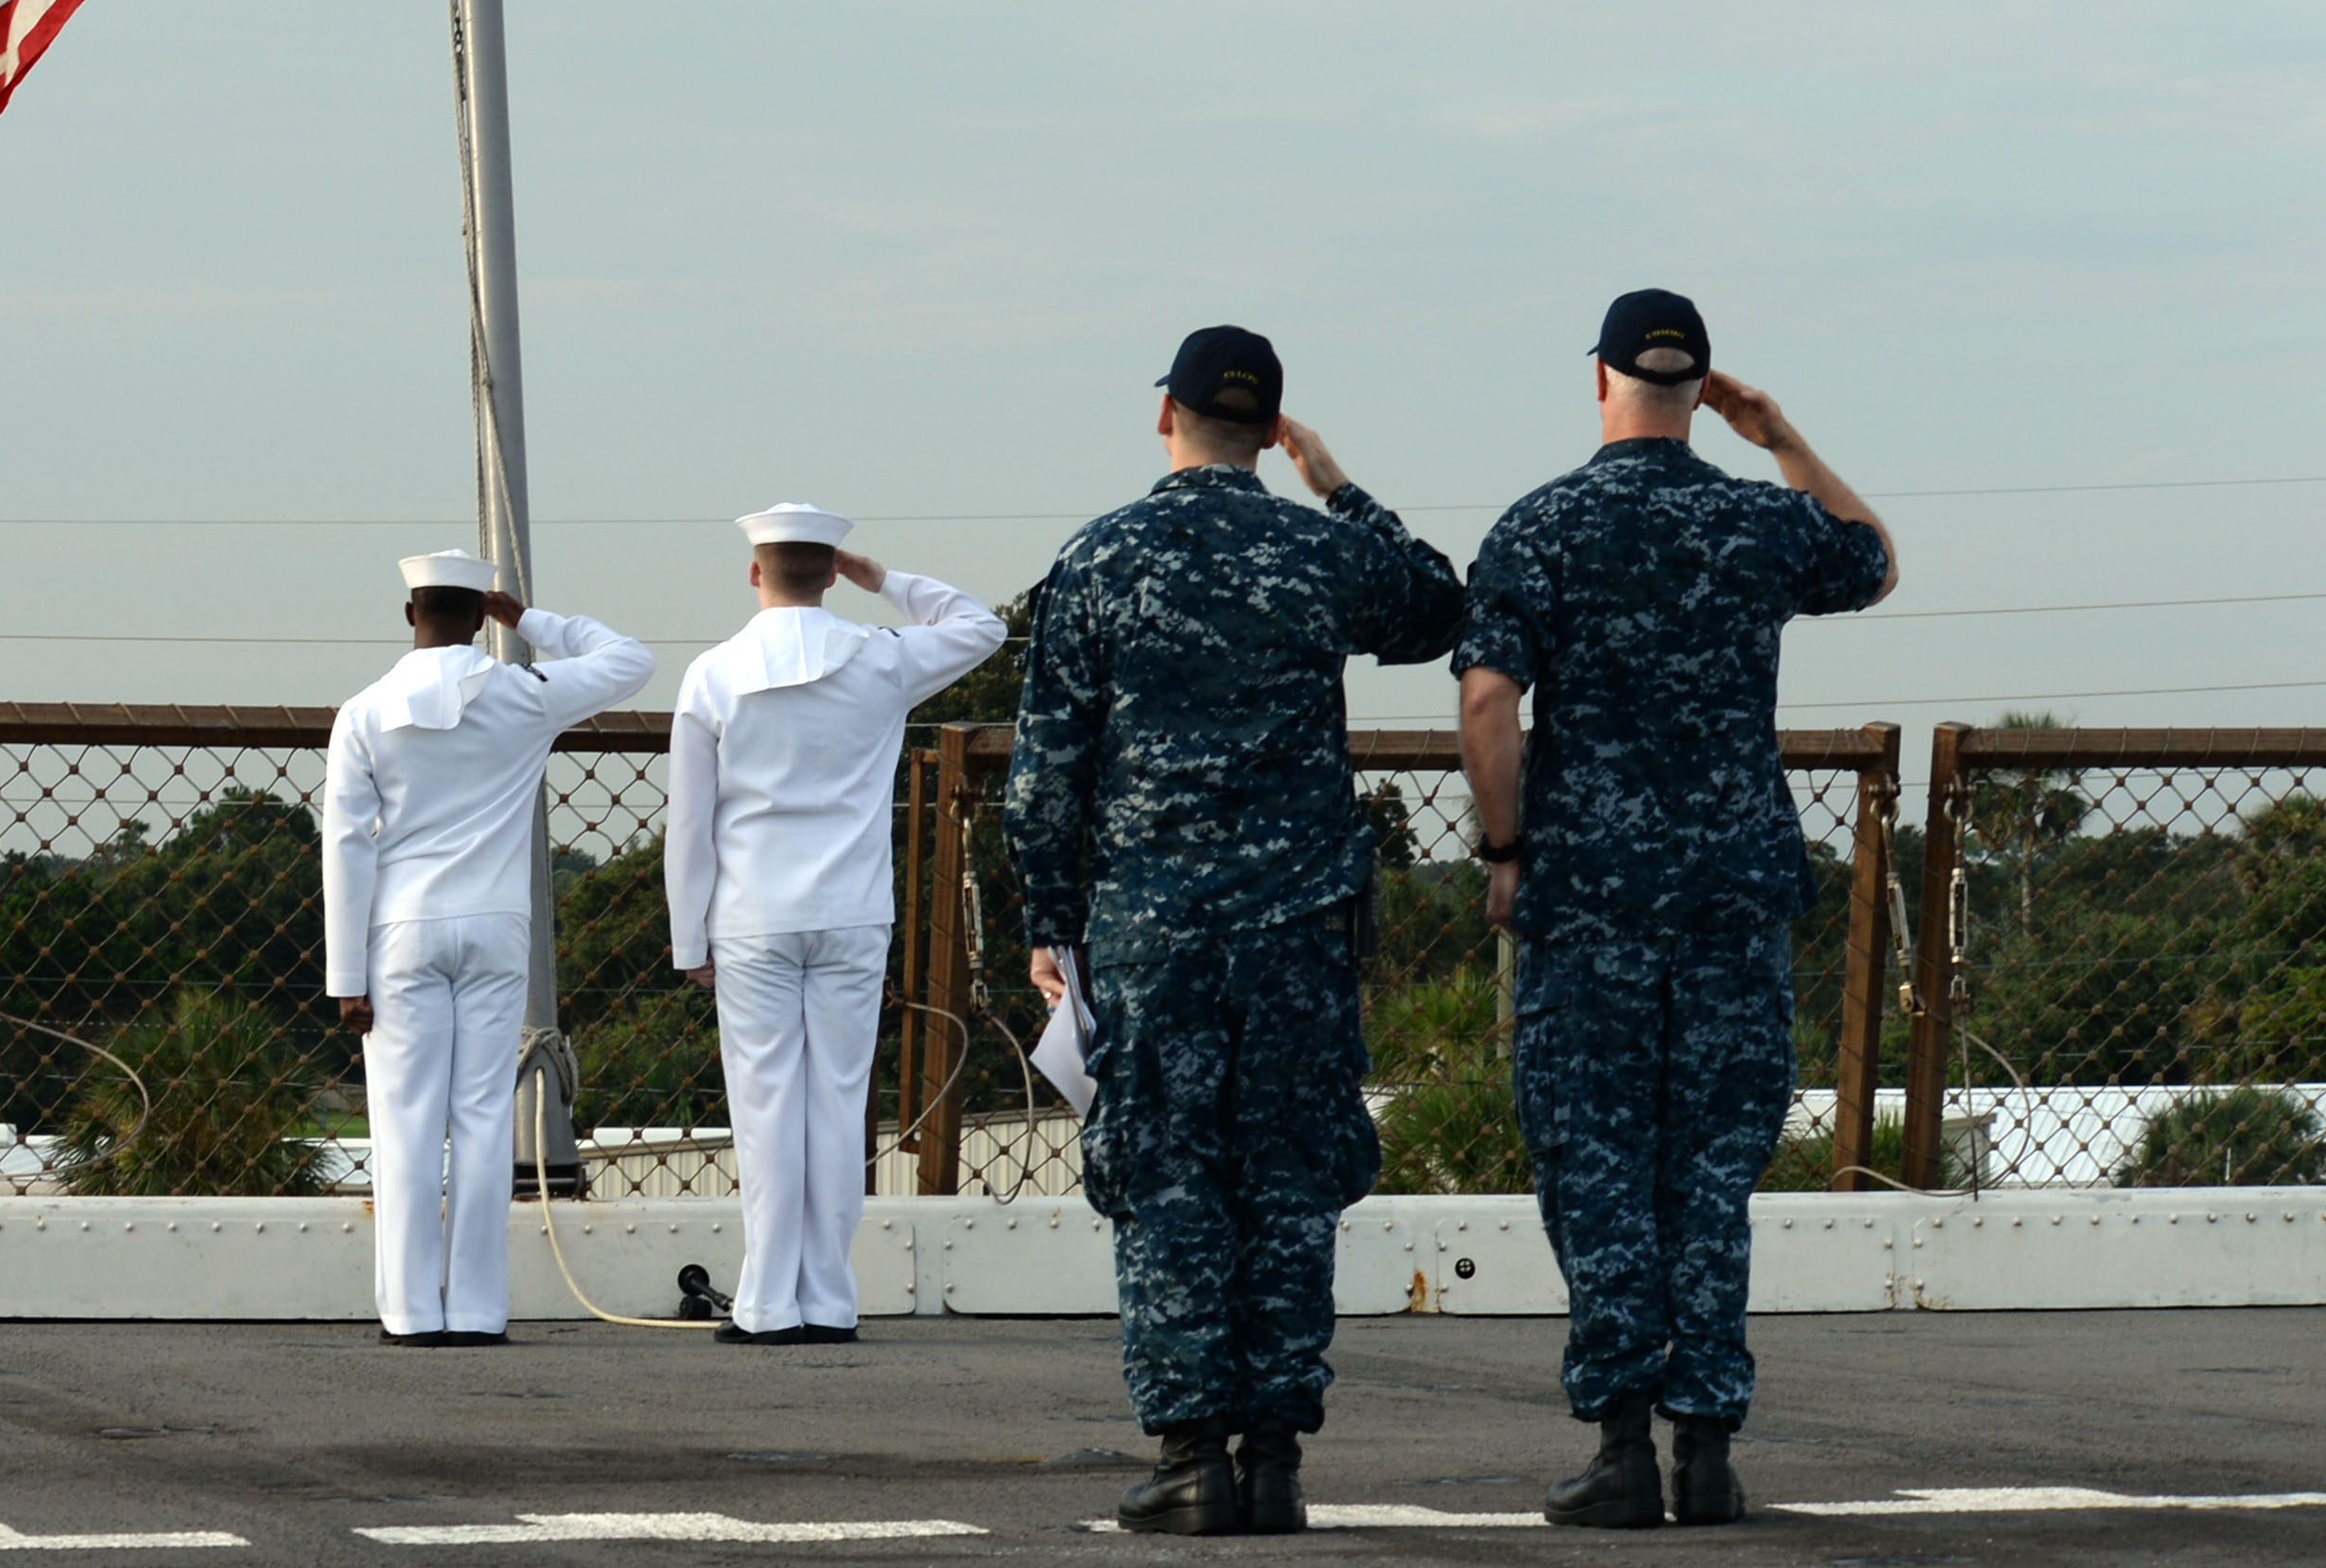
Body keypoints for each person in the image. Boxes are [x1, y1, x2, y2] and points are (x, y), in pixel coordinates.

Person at [1010, 325, 1467, 1537]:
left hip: (1153, 925)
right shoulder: (1316, 553)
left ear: (1161, 413)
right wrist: (1337, 485)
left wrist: (1048, 918)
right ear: (1271, 428)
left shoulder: (1100, 557)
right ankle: (1271, 1456)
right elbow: (1436, 602)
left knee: (1166, 1178)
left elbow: (1045, 771)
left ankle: (1186, 1452)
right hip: (1297, 929)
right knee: (1285, 1177)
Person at [1458, 291, 1897, 1531]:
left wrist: (1506, 847)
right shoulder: (1755, 521)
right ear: (1702, 388)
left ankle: (1619, 1447)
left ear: (1597, 378)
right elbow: (1871, 556)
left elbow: (1491, 699)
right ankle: (1705, 1448)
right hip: (1731, 894)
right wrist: (1781, 438)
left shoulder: (1542, 526)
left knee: (1594, 1164)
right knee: (1710, 1170)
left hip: (1589, 899)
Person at [665, 501, 1007, 1344]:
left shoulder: (711, 673)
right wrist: (881, 578)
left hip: (752, 916)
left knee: (767, 1107)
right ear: (830, 571)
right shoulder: (880, 656)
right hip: (853, 912)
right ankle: (829, 1296)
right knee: (839, 1100)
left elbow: (690, 823)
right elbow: (979, 627)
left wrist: (688, 938)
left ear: (754, 572)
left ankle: (767, 1301)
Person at [324, 553, 652, 1344]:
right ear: (479, 616)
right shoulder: (524, 694)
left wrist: (345, 973)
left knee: (404, 1122)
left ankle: (408, 1312)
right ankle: (475, 1309)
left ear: (410, 615)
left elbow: (345, 843)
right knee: (480, 1118)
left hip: (400, 929)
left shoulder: (363, 712)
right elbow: (630, 660)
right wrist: (530, 621)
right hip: (497, 926)